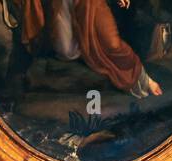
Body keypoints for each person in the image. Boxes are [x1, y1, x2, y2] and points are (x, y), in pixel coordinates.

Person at [22, 0, 163, 98]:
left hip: (90, 4)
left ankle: (143, 79)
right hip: (62, 3)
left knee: (112, 44)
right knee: (66, 52)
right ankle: (85, 46)